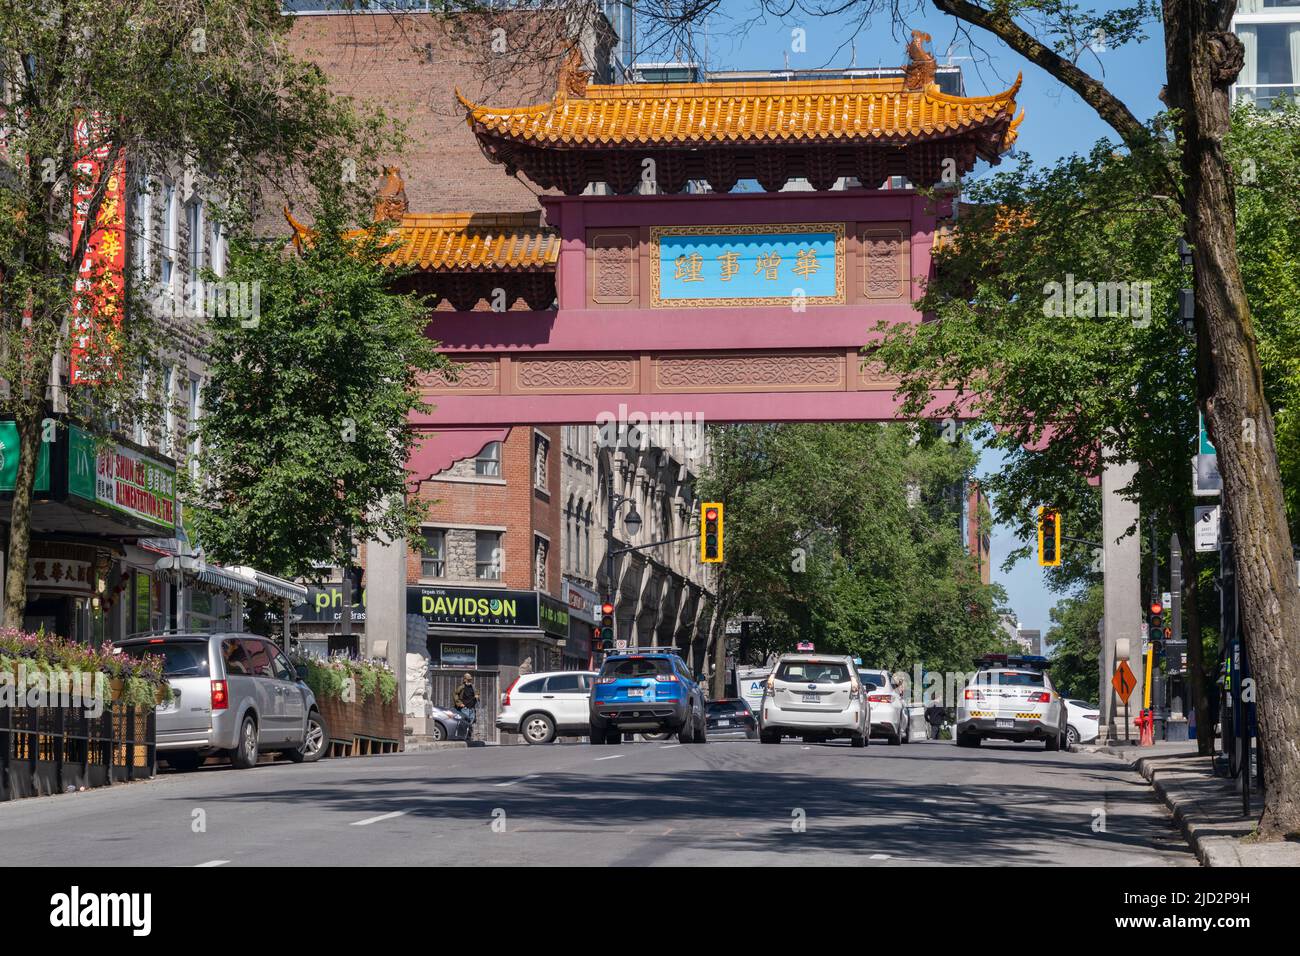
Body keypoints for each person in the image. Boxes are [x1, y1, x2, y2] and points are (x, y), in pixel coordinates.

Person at [453, 672, 479, 741]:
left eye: (470, 679)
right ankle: (462, 736)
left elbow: (477, 693)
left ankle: (468, 737)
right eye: (468, 679)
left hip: (472, 708)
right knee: (464, 723)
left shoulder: (473, 687)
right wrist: (459, 703)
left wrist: (477, 696)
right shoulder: (461, 687)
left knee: (470, 723)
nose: (469, 681)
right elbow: (455, 694)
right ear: (464, 680)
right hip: (465, 708)